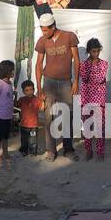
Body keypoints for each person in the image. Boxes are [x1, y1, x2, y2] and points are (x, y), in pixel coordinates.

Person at [34, 9, 79, 161]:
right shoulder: (42, 41)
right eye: (41, 29)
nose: (43, 32)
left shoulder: (69, 36)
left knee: (68, 115)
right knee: (49, 117)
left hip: (66, 83)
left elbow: (76, 60)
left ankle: (68, 149)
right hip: (49, 82)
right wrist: (40, 89)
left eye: (45, 29)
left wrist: (75, 82)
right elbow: (39, 64)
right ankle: (51, 151)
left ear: (53, 27)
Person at [78, 37, 109, 160]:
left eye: (98, 51)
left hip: (99, 100)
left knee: (99, 127)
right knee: (87, 127)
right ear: (89, 51)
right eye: (93, 51)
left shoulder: (104, 64)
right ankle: (88, 151)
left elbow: (100, 78)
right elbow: (84, 77)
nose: (96, 54)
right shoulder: (84, 64)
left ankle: (100, 152)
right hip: (86, 99)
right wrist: (91, 67)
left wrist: (92, 74)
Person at [0, 59, 16, 167]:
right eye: (12, 70)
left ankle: (5, 153)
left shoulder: (10, 83)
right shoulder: (0, 84)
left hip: (8, 115)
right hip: (1, 115)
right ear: (6, 71)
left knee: (6, 135)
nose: (13, 72)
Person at [15, 79, 43, 156]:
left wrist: (43, 100)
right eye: (27, 90)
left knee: (33, 140)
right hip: (23, 125)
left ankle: (33, 152)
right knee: (24, 139)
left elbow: (42, 108)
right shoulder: (22, 99)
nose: (29, 92)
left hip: (34, 125)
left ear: (34, 90)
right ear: (23, 92)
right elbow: (16, 105)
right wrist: (14, 96)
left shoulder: (37, 100)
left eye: (31, 90)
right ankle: (24, 151)